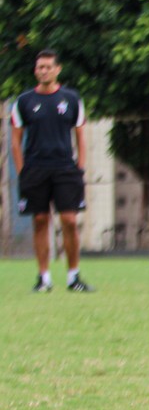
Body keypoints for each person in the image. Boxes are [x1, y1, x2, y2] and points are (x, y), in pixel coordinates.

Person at [11, 49, 94, 293]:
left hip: (65, 169)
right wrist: (21, 170)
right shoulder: (24, 101)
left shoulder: (71, 98)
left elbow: (80, 133)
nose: (43, 71)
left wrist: (80, 167)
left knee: (68, 220)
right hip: (35, 169)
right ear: (35, 71)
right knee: (40, 220)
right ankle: (44, 278)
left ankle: (73, 276)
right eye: (40, 67)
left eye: (48, 67)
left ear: (57, 69)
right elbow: (16, 140)